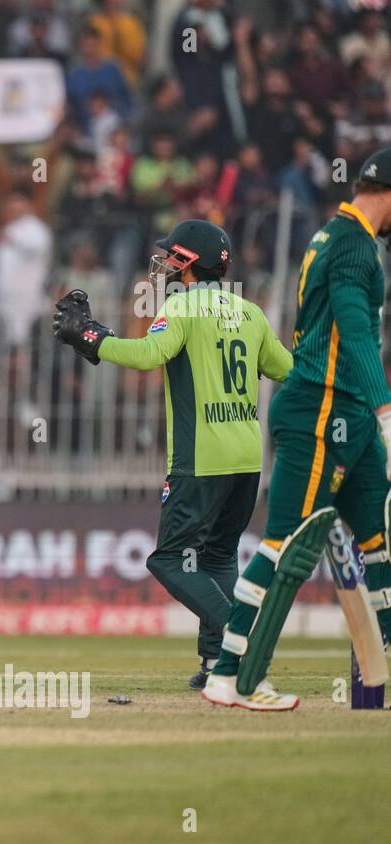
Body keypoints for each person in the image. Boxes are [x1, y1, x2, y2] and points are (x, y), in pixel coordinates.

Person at [52, 220, 292, 690]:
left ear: (187, 262)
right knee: (218, 558)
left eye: (169, 256)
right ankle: (216, 664)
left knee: (169, 559)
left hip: (200, 457)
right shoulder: (250, 311)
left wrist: (91, 338)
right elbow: (286, 367)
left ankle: (243, 635)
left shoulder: (182, 306)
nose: (161, 264)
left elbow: (147, 355)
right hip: (247, 458)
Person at [201, 148, 391, 710]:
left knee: (377, 542)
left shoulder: (330, 236)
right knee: (284, 543)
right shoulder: (355, 246)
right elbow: (355, 334)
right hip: (322, 411)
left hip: (346, 413)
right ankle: (230, 673)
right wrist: (386, 412)